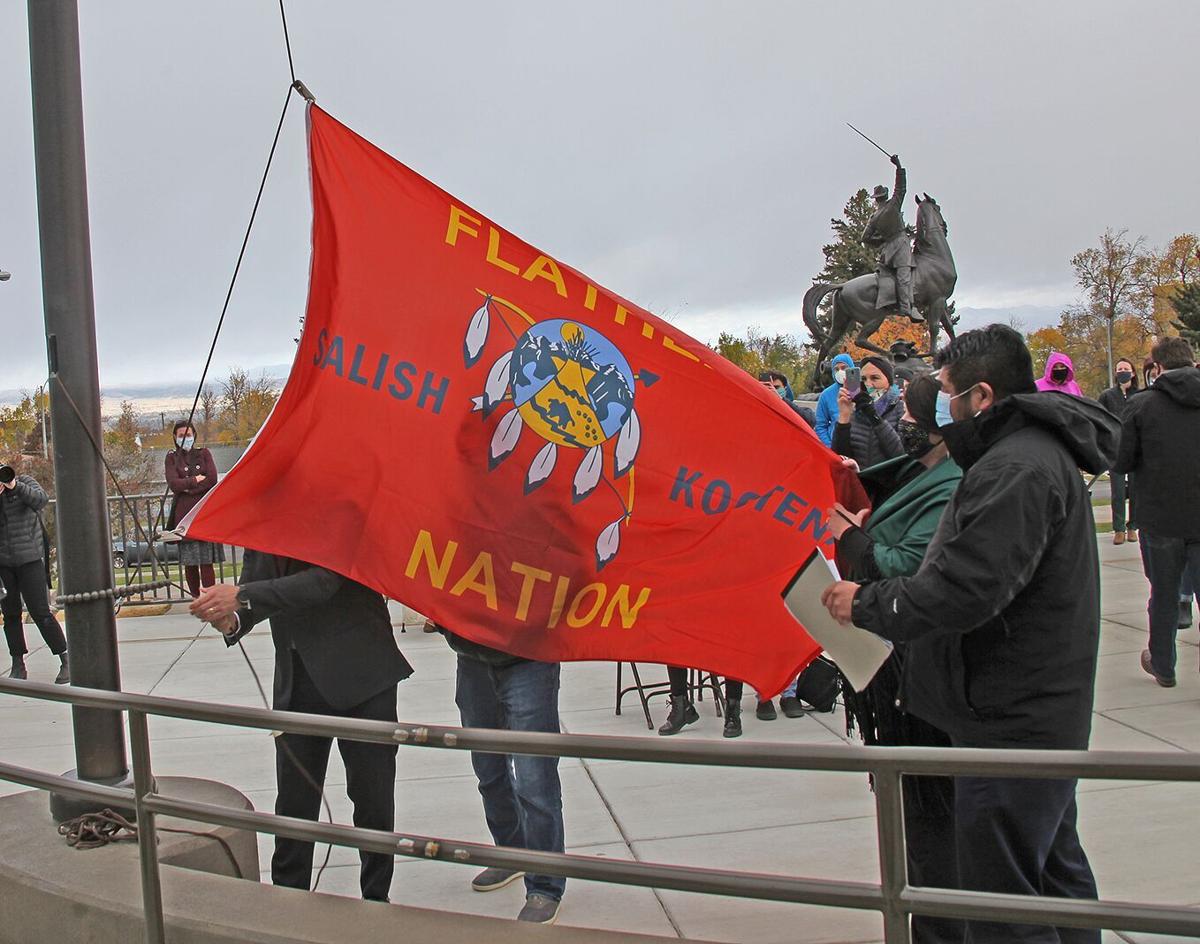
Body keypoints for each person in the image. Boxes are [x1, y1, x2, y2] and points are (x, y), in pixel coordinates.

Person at [821, 324, 1118, 944]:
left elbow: (964, 589)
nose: (940, 408)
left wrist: (865, 602)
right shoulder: (1020, 456)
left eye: (949, 393)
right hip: (1025, 710)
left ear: (981, 396)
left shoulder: (1017, 468)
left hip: (1009, 720)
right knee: (1053, 882)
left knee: (1003, 907)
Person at [827, 374, 964, 944]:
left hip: (918, 677)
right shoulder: (924, 472)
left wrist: (850, 538)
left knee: (933, 826)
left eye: (911, 415)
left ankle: (939, 925)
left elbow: (907, 565)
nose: (902, 424)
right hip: (899, 677)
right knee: (913, 823)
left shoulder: (952, 481)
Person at [191, 553, 412, 902]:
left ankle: (376, 900)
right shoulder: (265, 521)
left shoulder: (341, 504)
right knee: (294, 804)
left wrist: (242, 594)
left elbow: (322, 583)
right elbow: (254, 591)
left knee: (372, 799)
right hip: (297, 681)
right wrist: (231, 619)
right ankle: (289, 903)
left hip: (364, 675)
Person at [437, 622, 565, 924]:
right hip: (471, 655)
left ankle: (545, 885)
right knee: (488, 770)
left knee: (535, 781)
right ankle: (511, 851)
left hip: (529, 657)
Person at [1110, 336, 1200, 688]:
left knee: (1163, 593)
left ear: (1157, 367)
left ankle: (1163, 664)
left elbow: (1122, 460)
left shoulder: (1141, 405)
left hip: (1159, 516)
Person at [0, 465, 68, 683]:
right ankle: (18, 663)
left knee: (41, 612)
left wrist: (14, 486)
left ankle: (65, 659)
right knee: (10, 614)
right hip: (3, 563)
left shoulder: (25, 482)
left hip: (30, 559)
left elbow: (41, 500)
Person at [164, 421, 223, 598]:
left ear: (194, 435)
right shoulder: (172, 457)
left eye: (188, 435)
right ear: (175, 437)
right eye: (181, 435)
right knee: (190, 563)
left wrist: (189, 488)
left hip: (204, 512)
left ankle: (211, 599)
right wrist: (194, 481)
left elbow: (212, 478)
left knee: (206, 561)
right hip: (184, 516)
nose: (185, 438)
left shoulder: (204, 454)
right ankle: (196, 598)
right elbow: (174, 483)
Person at [862, 154, 916, 321]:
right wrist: (898, 166)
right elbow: (901, 187)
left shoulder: (874, 218)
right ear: (885, 196)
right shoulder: (893, 205)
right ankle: (905, 308)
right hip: (900, 245)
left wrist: (880, 241)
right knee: (904, 275)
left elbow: (865, 237)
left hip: (888, 250)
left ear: (876, 199)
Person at [832, 355, 903, 469]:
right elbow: (840, 459)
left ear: (888, 382)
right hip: (861, 483)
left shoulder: (900, 409)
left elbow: (901, 454)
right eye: (863, 379)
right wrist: (844, 417)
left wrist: (873, 416)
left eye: (875, 378)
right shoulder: (856, 412)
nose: (868, 384)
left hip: (892, 484)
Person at [1097, 358, 1139, 545]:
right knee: (1118, 491)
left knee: (1137, 489)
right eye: (1119, 369)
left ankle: (1133, 527)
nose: (1122, 371)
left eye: (1126, 369)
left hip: (1137, 449)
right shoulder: (1107, 396)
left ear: (1133, 373)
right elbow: (1099, 418)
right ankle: (1119, 528)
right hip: (1116, 449)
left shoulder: (1140, 395)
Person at [815, 353, 857, 447]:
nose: (840, 372)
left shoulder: (862, 389)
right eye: (836, 369)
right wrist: (829, 447)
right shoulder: (826, 395)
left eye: (844, 368)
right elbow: (820, 425)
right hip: (837, 447)